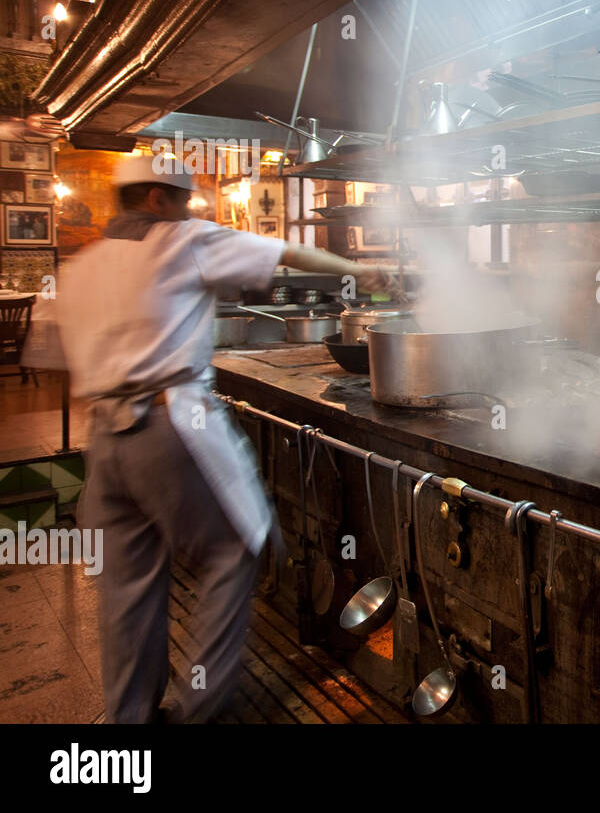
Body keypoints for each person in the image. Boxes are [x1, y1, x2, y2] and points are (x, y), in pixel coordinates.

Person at [56, 154, 391, 723]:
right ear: (160, 200)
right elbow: (288, 254)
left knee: (129, 586)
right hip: (166, 431)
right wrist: (360, 272)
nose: (189, 210)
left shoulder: (83, 264)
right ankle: (201, 711)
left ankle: (129, 720)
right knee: (233, 550)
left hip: (105, 441)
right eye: (183, 200)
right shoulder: (178, 240)